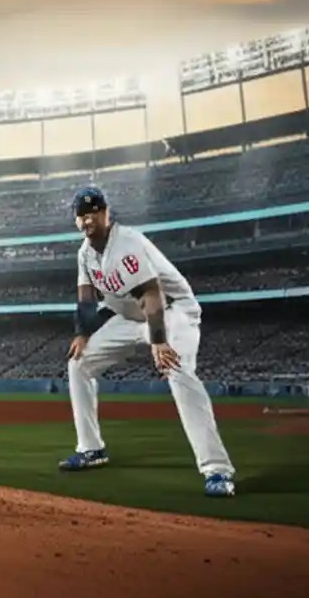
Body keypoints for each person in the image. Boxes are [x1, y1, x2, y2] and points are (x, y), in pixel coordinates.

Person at [59, 186, 236, 498]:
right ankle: (92, 449)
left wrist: (159, 340)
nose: (87, 220)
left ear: (105, 213)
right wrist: (83, 333)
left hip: (171, 311)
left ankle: (217, 470)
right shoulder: (85, 254)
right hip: (129, 318)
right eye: (81, 215)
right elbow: (87, 300)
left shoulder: (125, 243)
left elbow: (152, 294)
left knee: (176, 369)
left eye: (92, 213)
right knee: (79, 363)